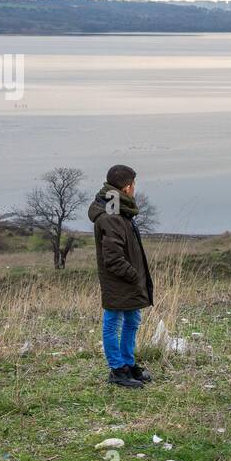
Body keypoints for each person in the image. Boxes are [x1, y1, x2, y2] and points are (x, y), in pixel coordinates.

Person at [88, 164, 154, 389]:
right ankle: (117, 370)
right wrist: (134, 275)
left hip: (126, 281)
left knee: (132, 320)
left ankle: (127, 364)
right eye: (134, 184)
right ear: (127, 187)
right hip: (119, 281)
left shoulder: (118, 208)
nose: (135, 188)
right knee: (112, 322)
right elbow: (113, 257)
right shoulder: (112, 216)